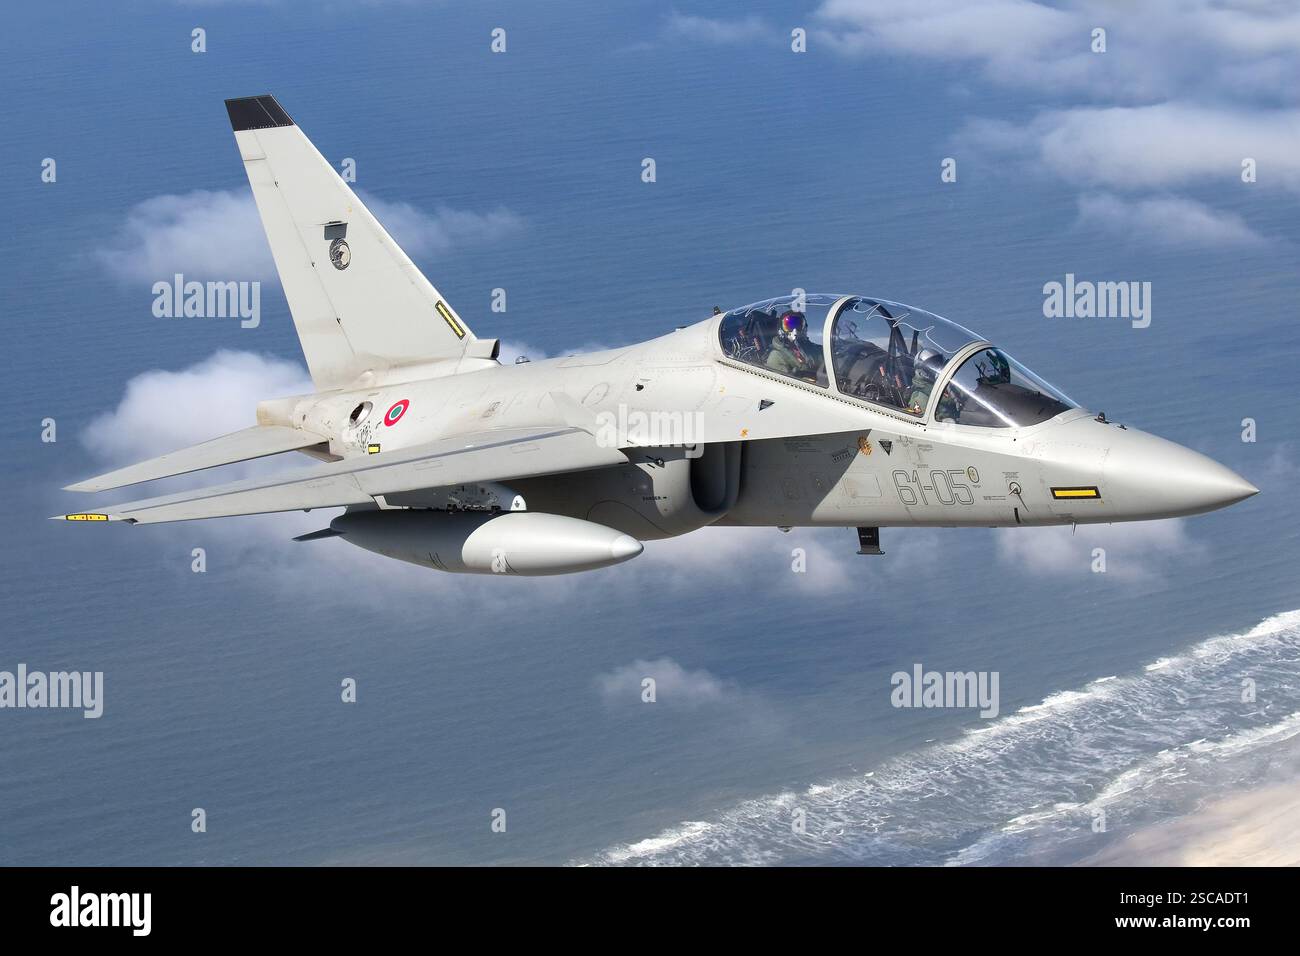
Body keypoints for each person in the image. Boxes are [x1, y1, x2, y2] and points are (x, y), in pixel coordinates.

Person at [766, 311, 819, 380]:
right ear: (781, 330)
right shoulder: (776, 356)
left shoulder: (808, 348)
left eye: (798, 326)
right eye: (789, 326)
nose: (795, 331)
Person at [906, 348, 952, 416]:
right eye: (934, 365)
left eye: (940, 363)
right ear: (921, 372)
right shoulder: (920, 398)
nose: (940, 368)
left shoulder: (941, 385)